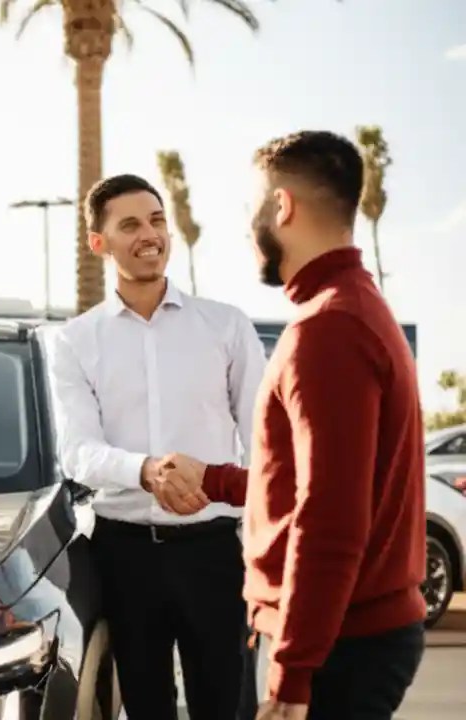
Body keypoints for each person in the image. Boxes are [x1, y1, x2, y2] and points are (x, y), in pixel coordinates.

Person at [157, 130, 426, 719]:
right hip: (346, 637)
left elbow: (329, 517)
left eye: (253, 205)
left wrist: (292, 678)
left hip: (339, 648)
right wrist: (218, 480)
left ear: (282, 206)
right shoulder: (352, 308)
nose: (248, 226)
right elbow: (313, 486)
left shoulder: (328, 328)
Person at [47, 173, 266, 719]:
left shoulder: (226, 326)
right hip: (124, 557)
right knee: (145, 709)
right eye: (129, 225)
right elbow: (78, 452)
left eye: (156, 219)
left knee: (229, 707)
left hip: (216, 552)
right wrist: (147, 471)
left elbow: (265, 444)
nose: (150, 234)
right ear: (99, 243)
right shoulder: (74, 342)